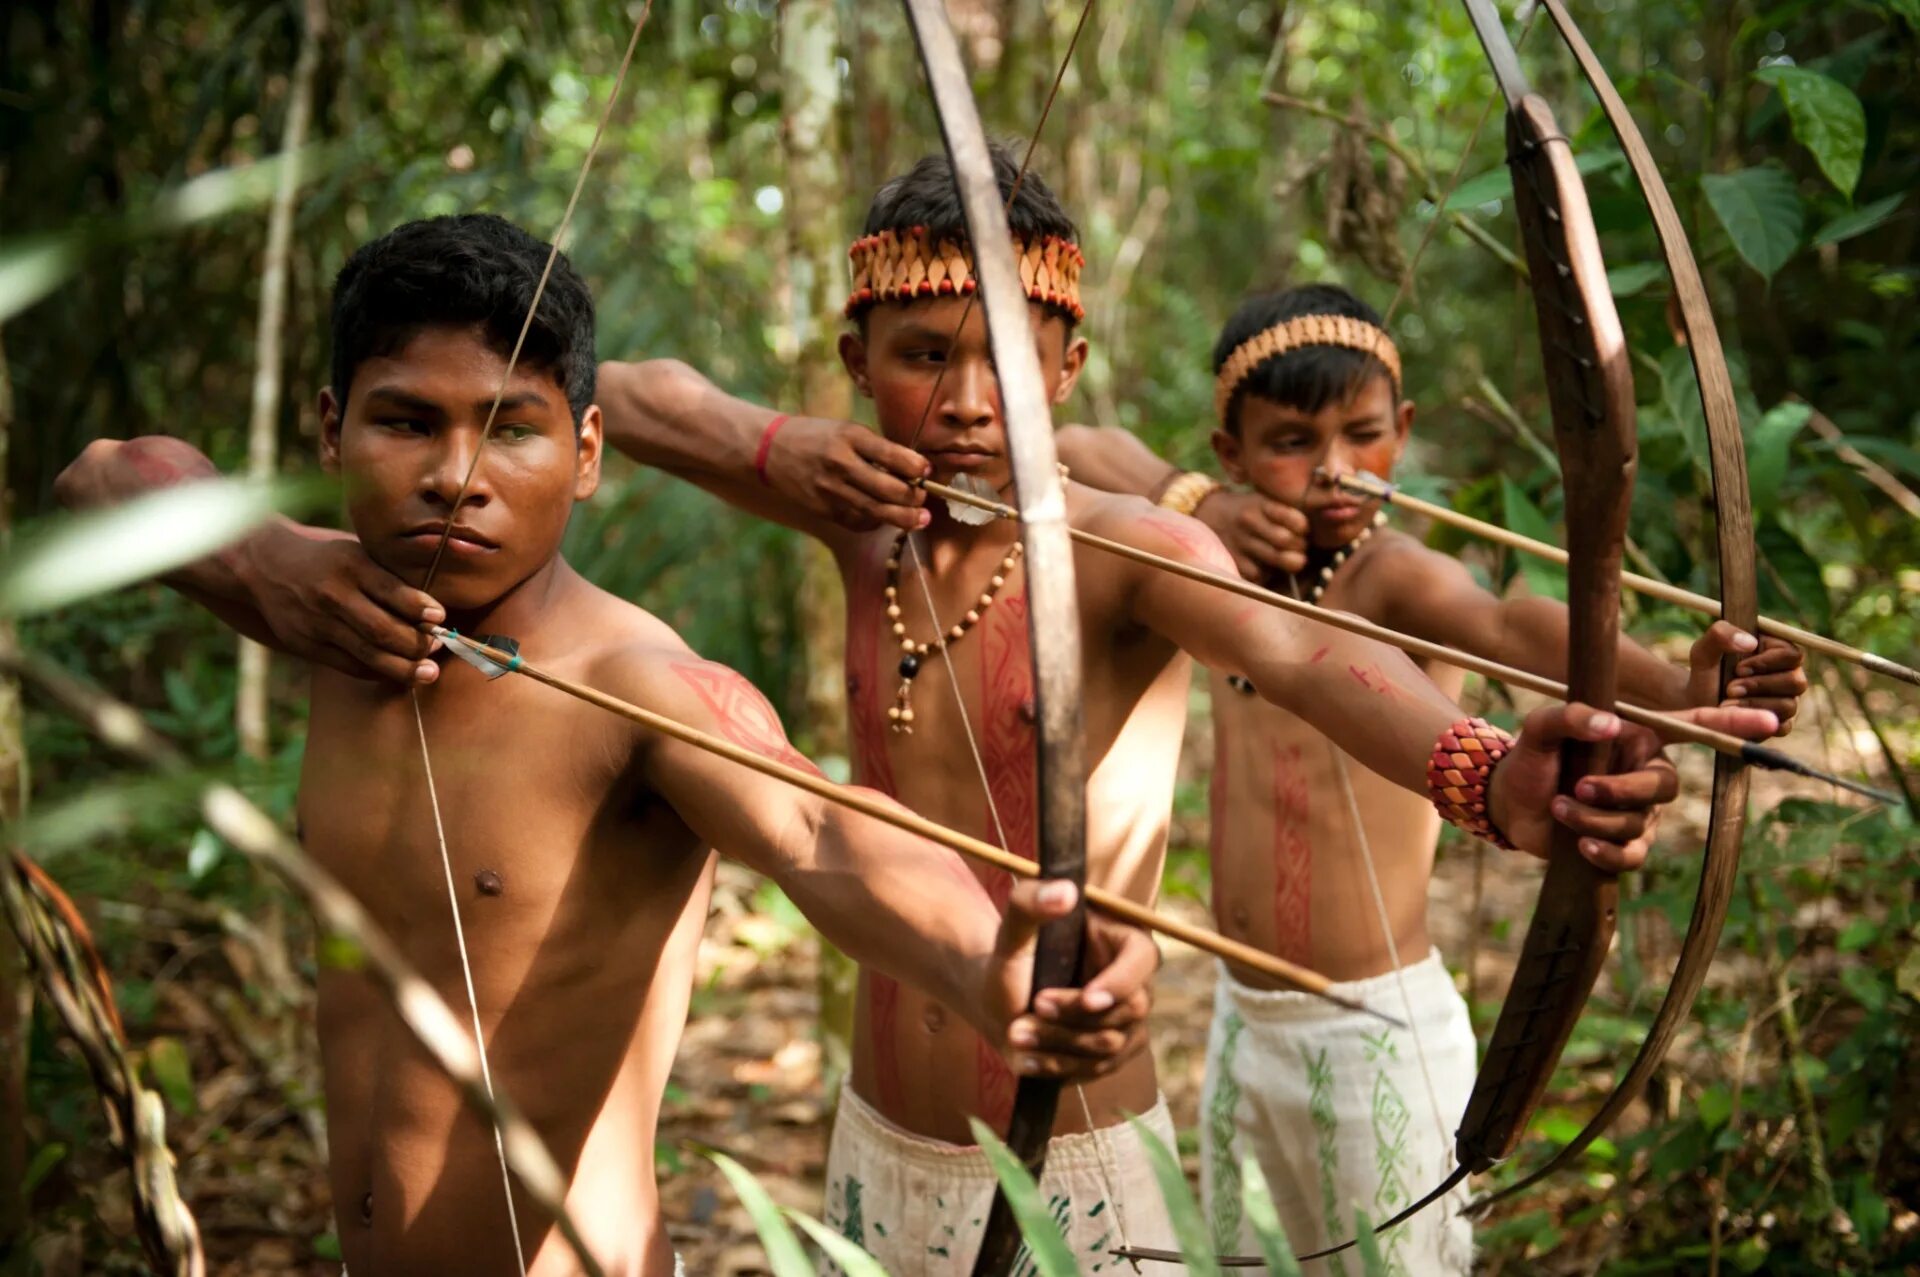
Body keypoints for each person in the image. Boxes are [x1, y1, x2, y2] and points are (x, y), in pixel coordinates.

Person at [584, 152, 1780, 1273]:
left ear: (1066, 367)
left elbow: (1302, 651)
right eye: (920, 355)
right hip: (878, 1135)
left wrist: (1494, 773)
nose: (963, 399)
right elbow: (618, 395)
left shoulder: (1125, 546)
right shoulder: (858, 520)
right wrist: (779, 444)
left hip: (1075, 1155)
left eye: (1005, 355)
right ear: (857, 361)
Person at [54, 213, 1163, 1277]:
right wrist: (260, 559)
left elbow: (818, 827)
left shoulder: (637, 686)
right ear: (330, 427)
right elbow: (103, 474)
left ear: (586, 451)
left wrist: (991, 963)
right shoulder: (330, 605)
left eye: (511, 428)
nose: (455, 474)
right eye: (405, 422)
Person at [1048, 283, 1810, 1270]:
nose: (1333, 470)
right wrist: (1204, 503)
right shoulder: (1211, 563)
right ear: (1230, 450)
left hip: (1374, 1028)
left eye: (1362, 435)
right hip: (1246, 1017)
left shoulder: (1390, 574)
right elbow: (1079, 448)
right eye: (1289, 442)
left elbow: (1507, 625)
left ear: (1401, 433)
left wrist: (1674, 682)